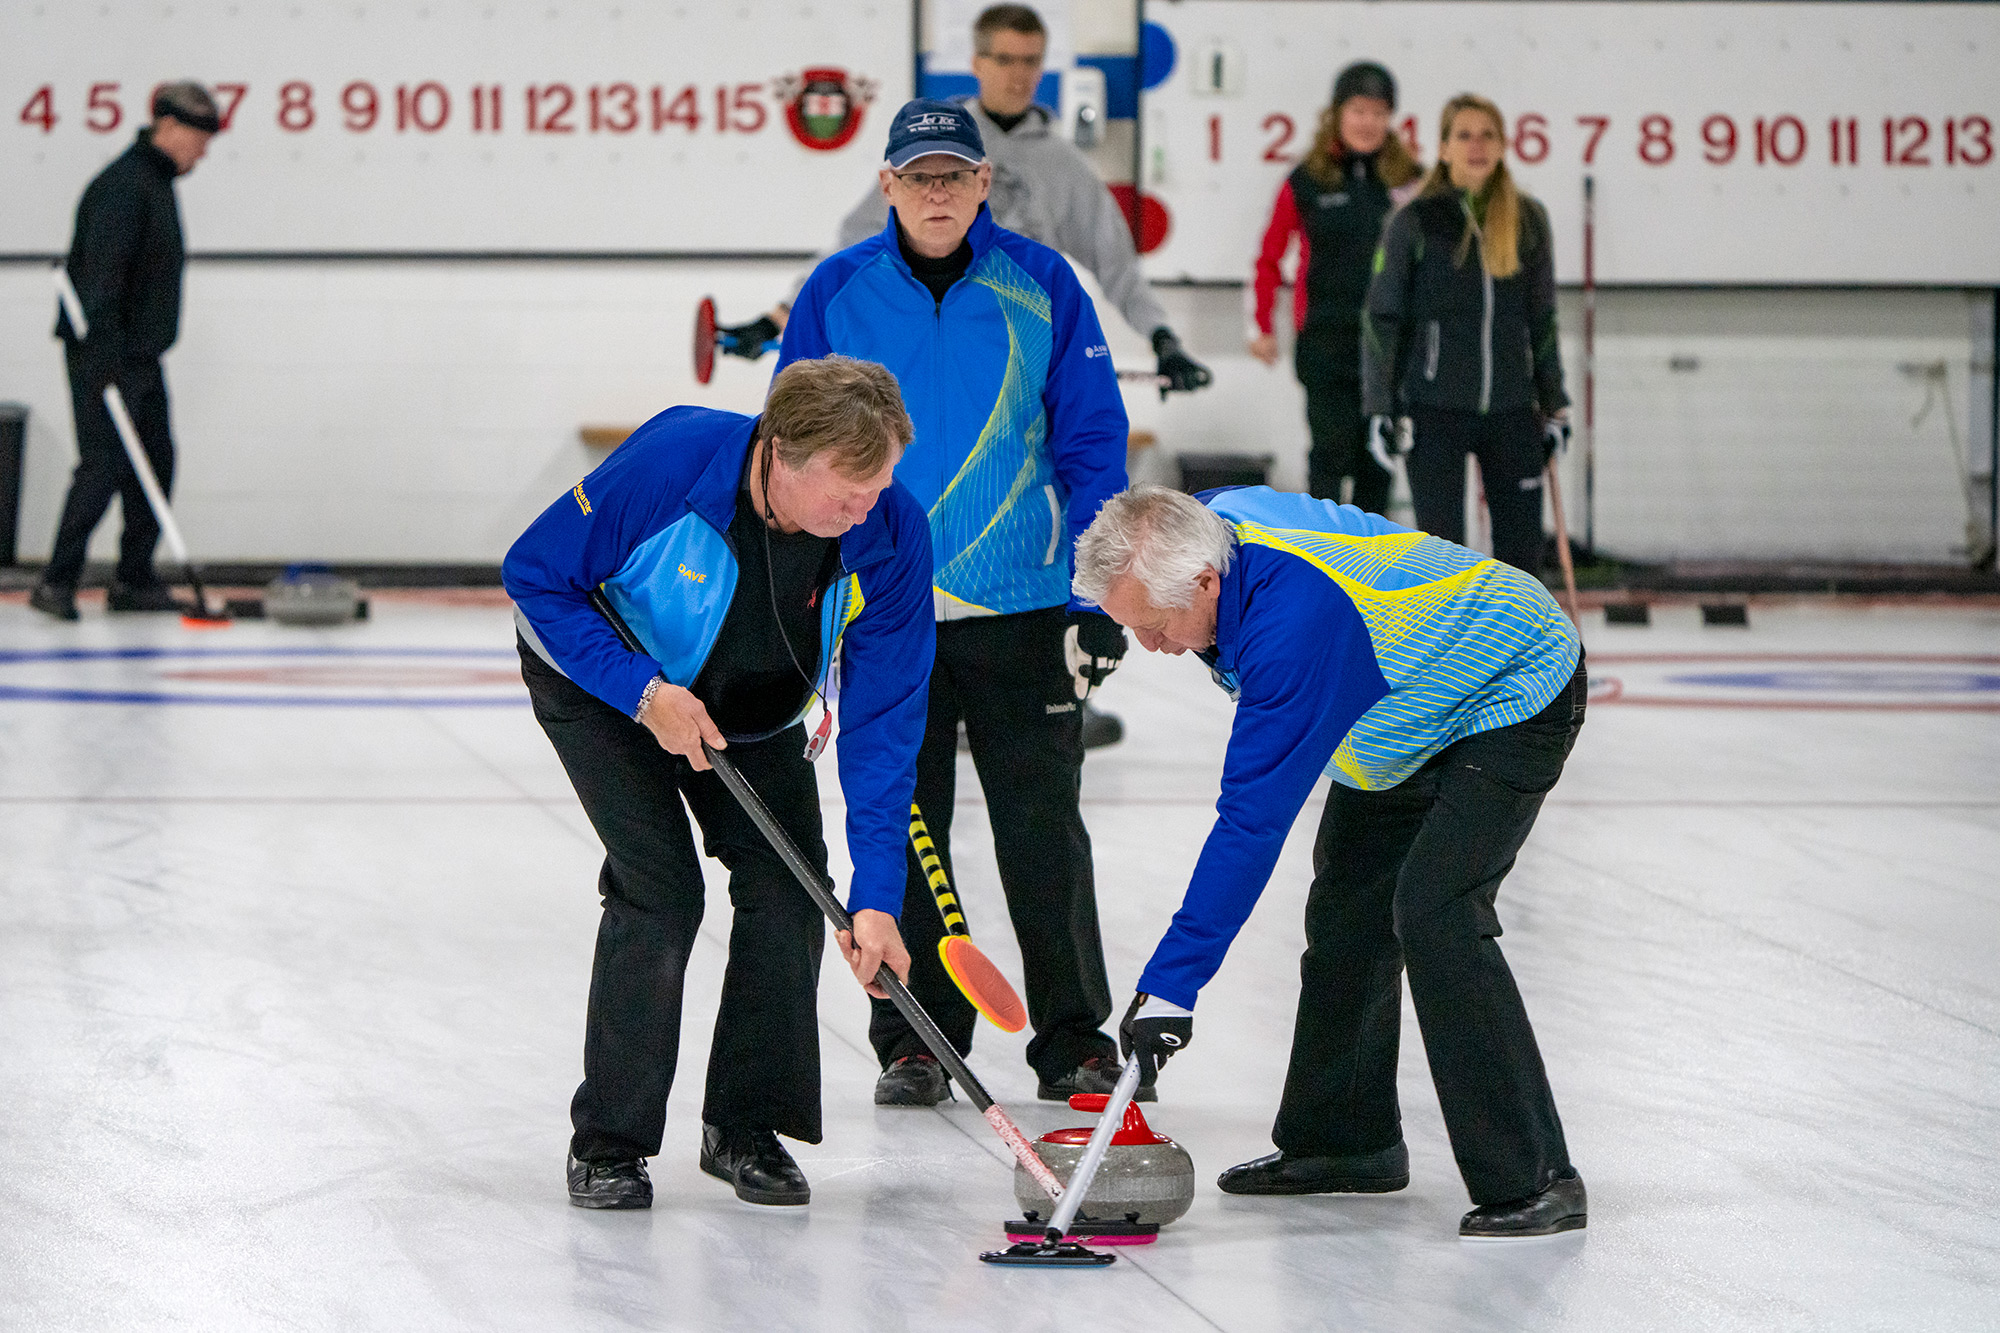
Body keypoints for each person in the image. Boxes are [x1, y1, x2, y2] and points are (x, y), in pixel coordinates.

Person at [1078, 483, 1589, 1240]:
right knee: (1348, 909)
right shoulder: (1192, 529)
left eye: (1155, 627)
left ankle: (1537, 1175)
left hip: (1507, 683)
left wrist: (1171, 987)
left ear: (1207, 582)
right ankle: (1346, 1142)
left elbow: (1250, 824)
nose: (1152, 646)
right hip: (1402, 706)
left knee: (1436, 911)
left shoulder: (1294, 627)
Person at [502, 356, 936, 1210]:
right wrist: (643, 692)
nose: (869, 508)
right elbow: (535, 575)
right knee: (661, 890)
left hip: (754, 710)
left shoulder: (891, 530)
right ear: (780, 453)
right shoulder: (673, 463)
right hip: (607, 683)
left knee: (789, 886)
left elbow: (885, 725)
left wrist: (879, 896)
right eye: (850, 490)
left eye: (881, 483)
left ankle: (746, 1125)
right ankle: (610, 1141)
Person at [776, 99, 1139, 1108]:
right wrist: (802, 593)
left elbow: (1091, 444)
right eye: (917, 176)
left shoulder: (1044, 284)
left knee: (1043, 827)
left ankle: (1073, 1039)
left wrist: (1097, 590)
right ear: (886, 187)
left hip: (1021, 603)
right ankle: (915, 1039)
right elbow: (790, 451)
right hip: (883, 609)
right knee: (900, 824)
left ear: (984, 184)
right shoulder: (835, 292)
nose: (936, 193)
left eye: (953, 175)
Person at [724, 4, 1212, 403]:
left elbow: (1116, 264)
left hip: (1018, 350)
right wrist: (776, 318)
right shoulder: (930, 150)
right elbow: (852, 246)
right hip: (930, 333)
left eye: (1031, 61)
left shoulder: (1065, 167)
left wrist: (1163, 339)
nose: (1019, 75)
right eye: (1005, 59)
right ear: (977, 63)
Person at [32, 82, 221, 622]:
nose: (203, 153)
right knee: (103, 466)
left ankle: (134, 579)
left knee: (155, 461)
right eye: (199, 139)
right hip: (105, 352)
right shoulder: (123, 187)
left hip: (142, 353)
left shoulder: (155, 183)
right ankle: (56, 581)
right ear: (168, 126)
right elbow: (102, 277)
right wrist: (105, 359)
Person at [1361, 93, 1570, 576]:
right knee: (1442, 558)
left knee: (1522, 557)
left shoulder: (1528, 219)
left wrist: (1555, 404)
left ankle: (1520, 629)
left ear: (1503, 145)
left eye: (1487, 135)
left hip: (1513, 410)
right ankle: (1447, 631)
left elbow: (1542, 318)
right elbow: (1381, 317)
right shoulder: (1413, 221)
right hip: (1434, 411)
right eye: (1464, 135)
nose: (1476, 146)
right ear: (1443, 148)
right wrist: (1379, 406)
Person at [1248, 61, 1422, 511]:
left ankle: (1370, 552)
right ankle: (1321, 549)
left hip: (1389, 344)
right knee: (1330, 454)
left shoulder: (1409, 180)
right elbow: (1269, 257)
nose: (1368, 123)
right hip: (1325, 341)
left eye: (1378, 113)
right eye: (1358, 111)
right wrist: (1261, 326)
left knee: (1377, 461)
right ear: (1338, 114)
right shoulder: (1308, 179)